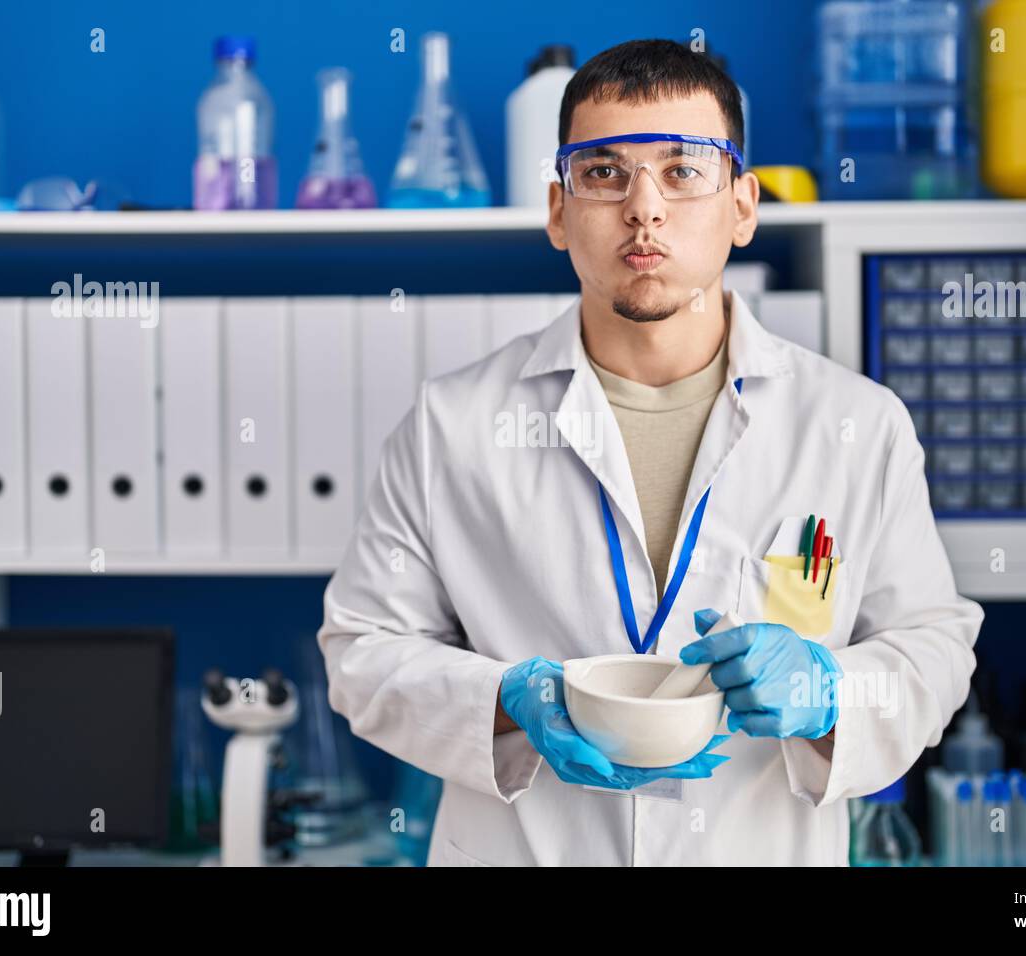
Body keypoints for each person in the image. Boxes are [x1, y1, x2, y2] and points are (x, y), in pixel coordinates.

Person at [317, 38, 984, 865]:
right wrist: (506, 700)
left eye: (683, 170)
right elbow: (360, 653)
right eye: (603, 173)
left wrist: (828, 691)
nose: (644, 209)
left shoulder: (857, 424)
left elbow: (934, 649)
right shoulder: (451, 425)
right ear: (559, 211)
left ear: (743, 205)